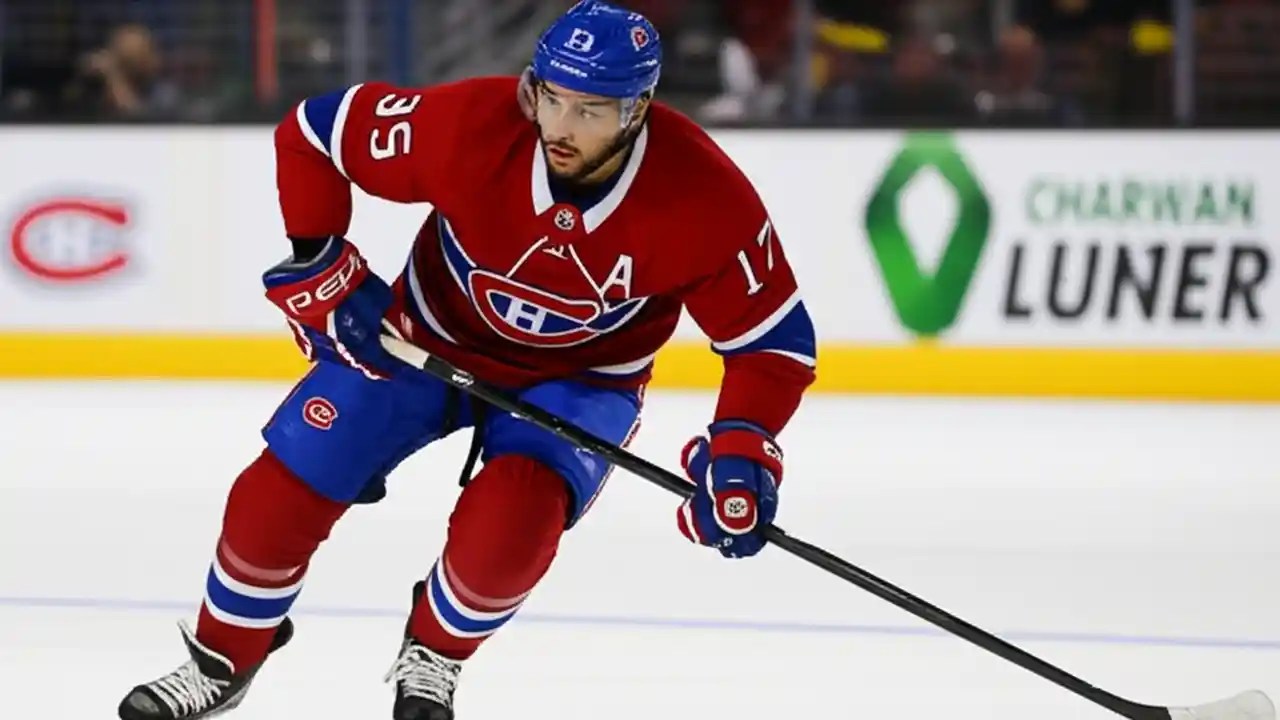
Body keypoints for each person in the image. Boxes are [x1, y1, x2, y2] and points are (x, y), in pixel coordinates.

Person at [116, 2, 816, 719]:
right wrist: (319, 258)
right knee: (278, 493)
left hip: (579, 381)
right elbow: (314, 136)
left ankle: (434, 655)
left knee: (510, 529)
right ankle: (223, 658)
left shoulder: (705, 196)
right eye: (551, 98)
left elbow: (773, 342)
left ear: (638, 110)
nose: (560, 128)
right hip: (421, 339)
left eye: (590, 111)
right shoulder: (470, 126)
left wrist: (743, 443)